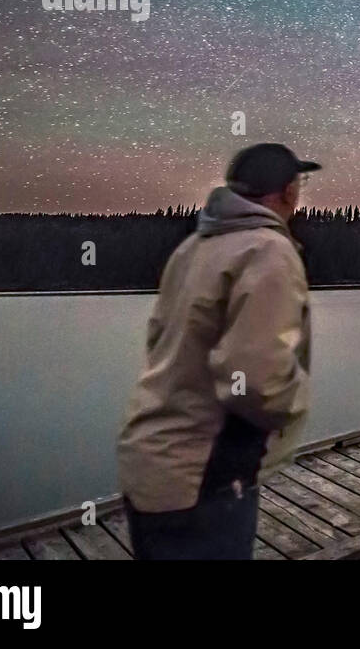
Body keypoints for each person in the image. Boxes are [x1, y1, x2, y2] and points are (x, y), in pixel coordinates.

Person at [116, 143, 318, 559]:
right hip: (204, 481)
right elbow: (255, 380)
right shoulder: (268, 250)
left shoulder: (192, 249)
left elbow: (157, 341)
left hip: (149, 465)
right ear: (287, 191)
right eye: (299, 182)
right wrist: (293, 407)